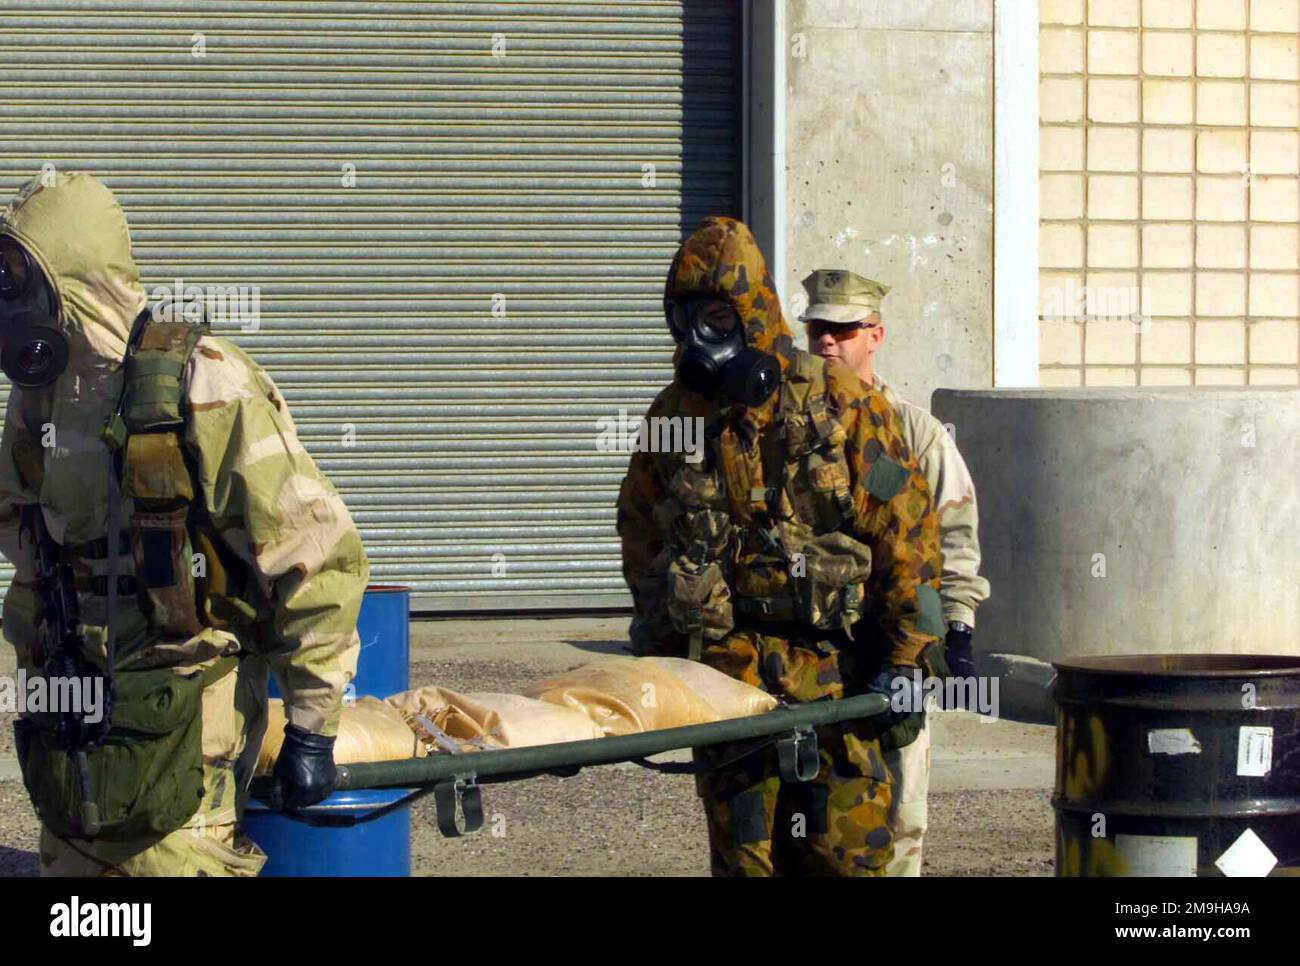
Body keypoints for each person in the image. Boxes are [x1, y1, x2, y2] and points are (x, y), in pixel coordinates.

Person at [0, 171, 368, 876]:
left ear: (75, 279)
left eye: (25, 281)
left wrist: (313, 730)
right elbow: (25, 541)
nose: (13, 307)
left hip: (181, 740)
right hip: (74, 742)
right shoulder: (39, 401)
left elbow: (317, 559)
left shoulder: (205, 383)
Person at [617, 216, 946, 876]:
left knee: (844, 862)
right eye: (685, 322)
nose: (700, 339)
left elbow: (910, 540)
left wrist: (912, 660)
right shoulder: (677, 417)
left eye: (716, 316)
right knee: (746, 866)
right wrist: (662, 637)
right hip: (730, 691)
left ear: (754, 314)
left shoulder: (846, 408)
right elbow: (639, 528)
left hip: (842, 688)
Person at [800, 267, 991, 876]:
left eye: (843, 329)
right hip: (805, 653)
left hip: (891, 649)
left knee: (899, 814)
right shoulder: (788, 427)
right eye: (818, 330)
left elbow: (953, 534)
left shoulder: (914, 432)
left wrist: (956, 627)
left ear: (875, 335)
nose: (828, 342)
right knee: (807, 817)